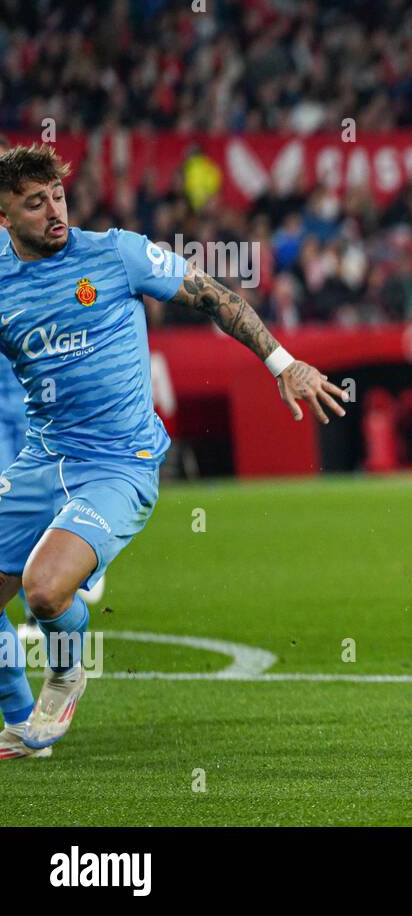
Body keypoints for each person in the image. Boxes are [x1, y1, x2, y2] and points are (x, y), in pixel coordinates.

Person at [0, 145, 346, 760]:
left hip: (117, 465)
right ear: (4, 217)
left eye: (57, 195)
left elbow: (214, 295)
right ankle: (26, 724)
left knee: (46, 591)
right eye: (35, 203)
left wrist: (283, 364)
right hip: (39, 461)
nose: (55, 210)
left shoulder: (115, 254)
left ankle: (66, 672)